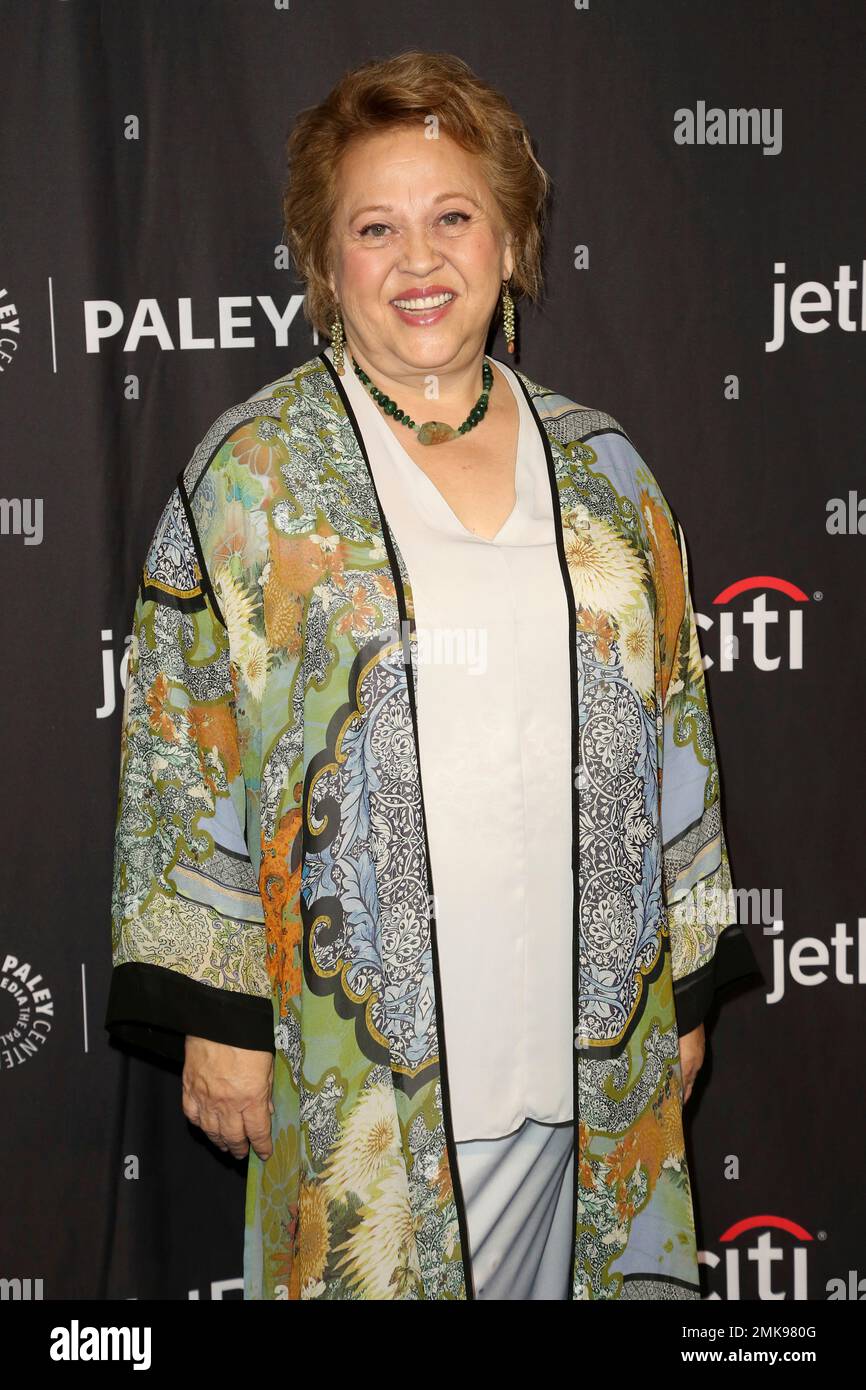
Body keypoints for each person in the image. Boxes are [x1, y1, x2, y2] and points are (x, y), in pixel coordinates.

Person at [105, 48, 762, 1301]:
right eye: (375, 227)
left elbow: (673, 731)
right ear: (325, 264)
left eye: (452, 216)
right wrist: (220, 1017)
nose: (418, 259)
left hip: (589, 1050)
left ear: (510, 244)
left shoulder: (609, 473)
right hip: (362, 1065)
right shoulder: (248, 476)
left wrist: (682, 982)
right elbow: (181, 755)